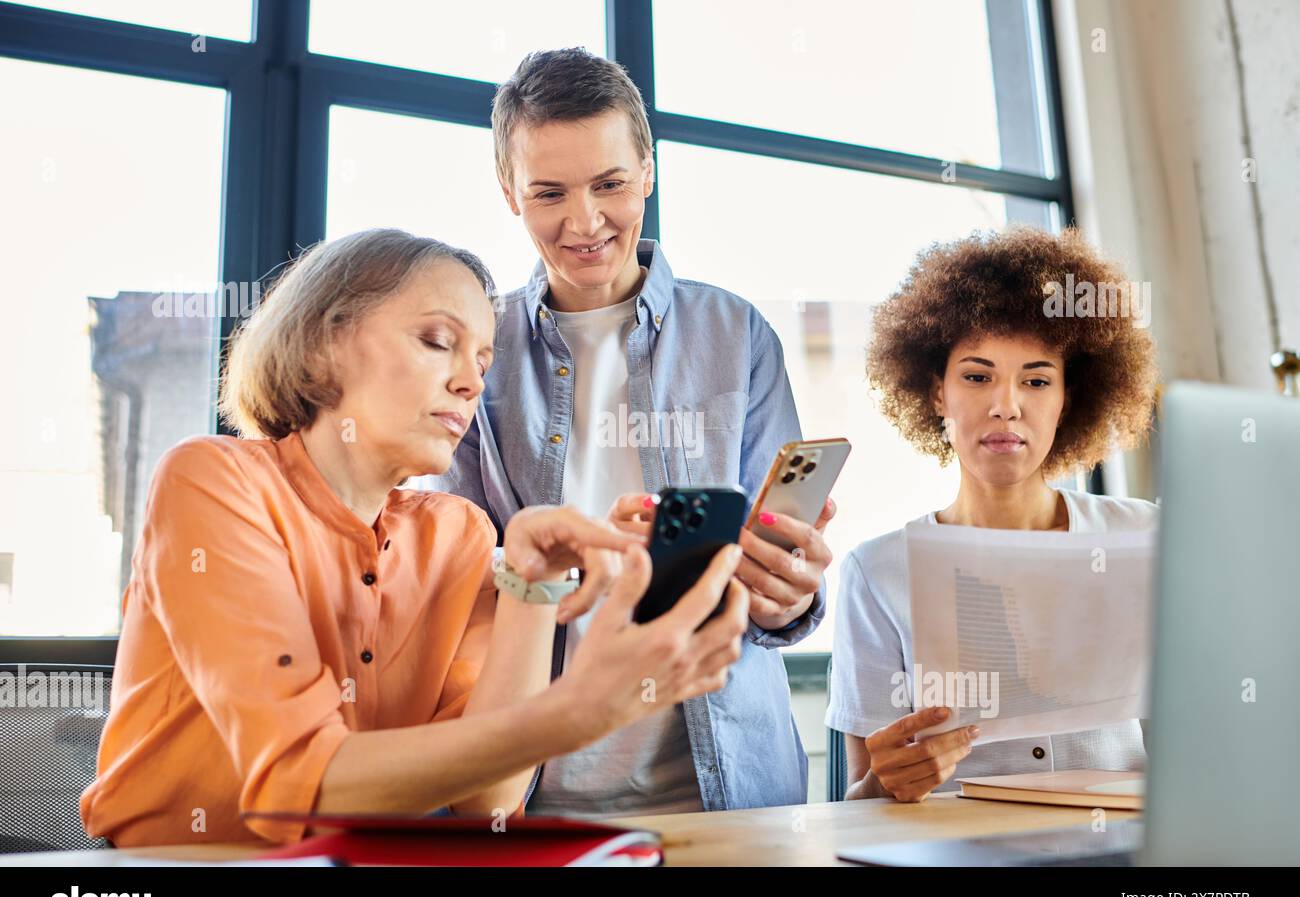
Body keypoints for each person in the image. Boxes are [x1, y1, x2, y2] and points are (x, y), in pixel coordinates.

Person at [80, 228, 749, 846]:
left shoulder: (457, 532)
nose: (469, 381)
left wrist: (531, 584)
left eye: (483, 362)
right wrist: (577, 713)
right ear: (325, 341)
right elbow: (294, 787)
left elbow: (487, 805)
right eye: (437, 341)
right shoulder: (213, 481)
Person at [417, 48, 834, 816]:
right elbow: (452, 583)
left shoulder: (738, 336)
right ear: (509, 193)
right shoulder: (477, 350)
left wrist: (787, 598)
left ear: (648, 169)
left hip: (732, 794)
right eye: (549, 192)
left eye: (610, 183)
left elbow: (777, 579)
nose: (585, 222)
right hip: (534, 793)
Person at [826, 225, 1159, 802]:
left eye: (1036, 380)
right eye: (978, 377)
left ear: (1067, 400)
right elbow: (859, 804)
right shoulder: (877, 570)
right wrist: (887, 781)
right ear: (936, 395)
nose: (1006, 406)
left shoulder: (1144, 538)